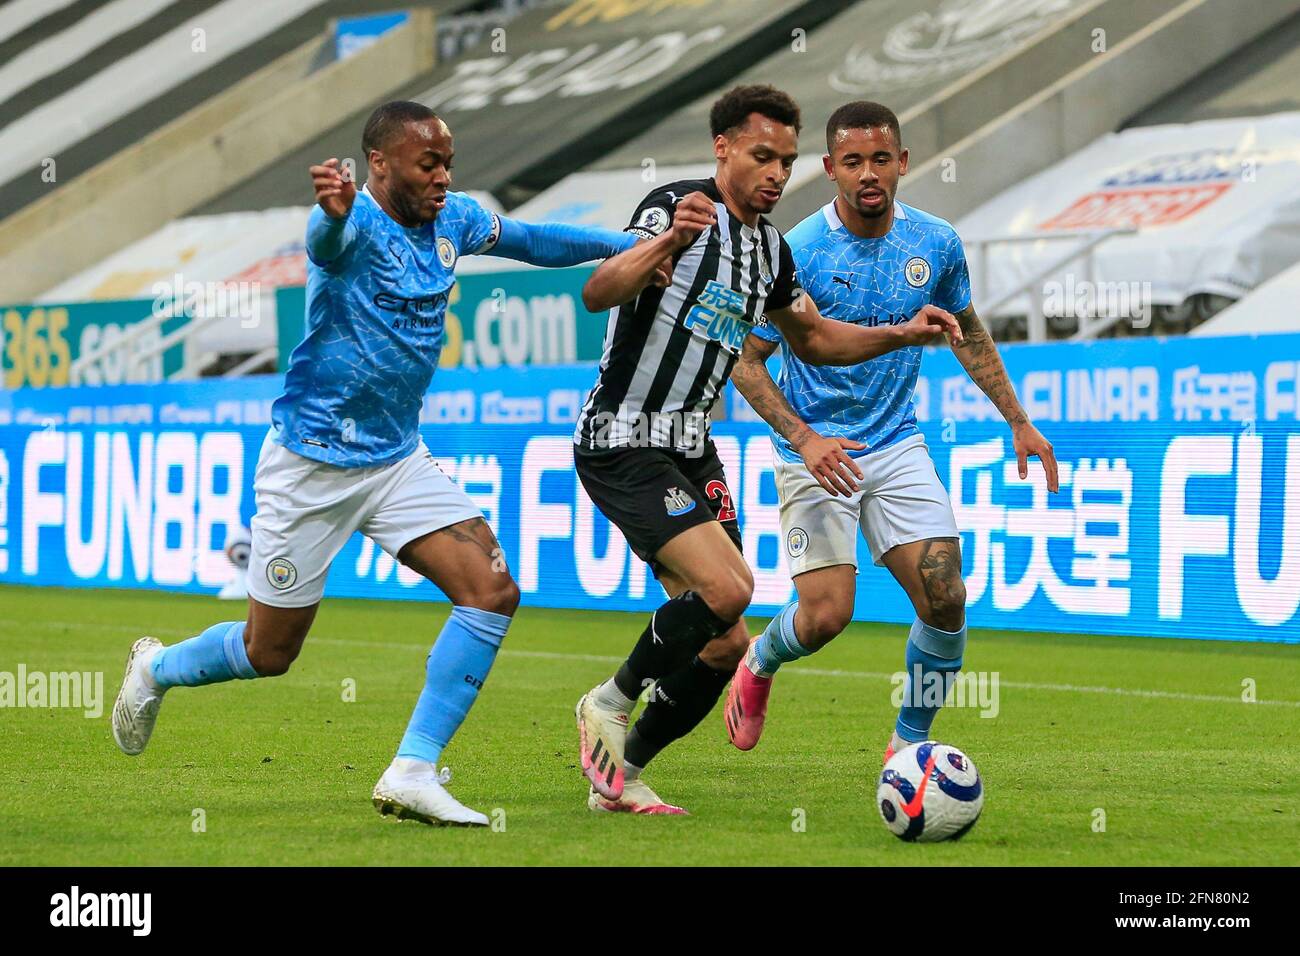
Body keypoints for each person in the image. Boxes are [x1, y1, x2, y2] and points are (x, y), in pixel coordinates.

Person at [111, 100, 640, 827]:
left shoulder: (454, 220)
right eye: (429, 164)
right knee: (269, 652)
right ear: (380, 164)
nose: (444, 177)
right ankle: (156, 668)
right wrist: (330, 214)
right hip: (311, 466)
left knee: (491, 590)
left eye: (448, 163)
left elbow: (531, 240)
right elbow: (325, 242)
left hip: (396, 461)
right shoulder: (350, 222)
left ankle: (412, 770)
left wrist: (632, 244)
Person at [571, 86, 963, 814]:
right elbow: (599, 292)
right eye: (762, 156)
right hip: (623, 437)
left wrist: (901, 334)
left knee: (723, 645)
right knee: (729, 590)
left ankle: (620, 775)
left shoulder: (771, 252)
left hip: (692, 448)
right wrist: (663, 245)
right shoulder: (675, 207)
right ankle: (609, 701)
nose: (777, 174)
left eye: (785, 160)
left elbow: (812, 338)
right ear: (722, 149)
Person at [726, 100, 1058, 762]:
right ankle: (760, 660)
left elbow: (966, 332)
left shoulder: (936, 243)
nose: (869, 174)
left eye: (881, 159)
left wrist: (1018, 419)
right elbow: (745, 362)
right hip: (816, 449)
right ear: (830, 169)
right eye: (853, 162)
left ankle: (908, 745)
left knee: (945, 594)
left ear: (903, 161)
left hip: (896, 441)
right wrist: (804, 439)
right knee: (826, 616)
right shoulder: (797, 253)